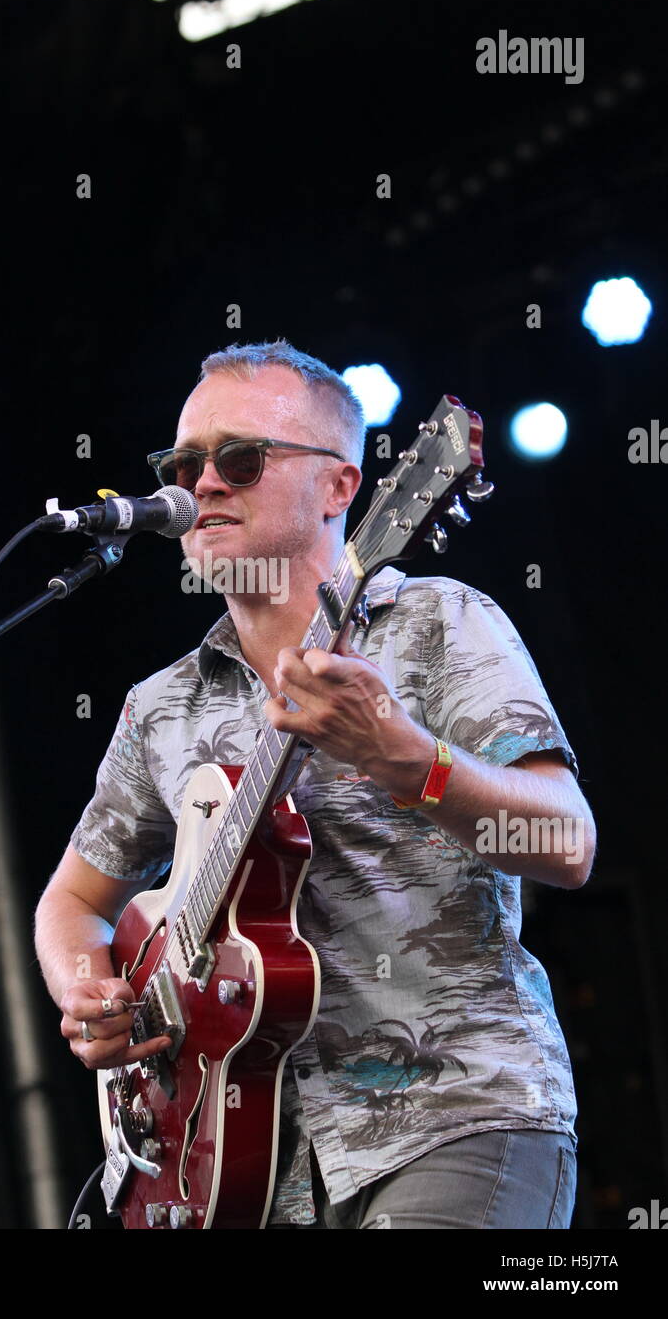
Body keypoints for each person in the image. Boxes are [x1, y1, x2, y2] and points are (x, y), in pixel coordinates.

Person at [33, 339, 595, 1229]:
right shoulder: (160, 707)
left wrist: (404, 758)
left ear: (341, 487)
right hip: (242, 1175)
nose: (204, 484)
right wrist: (87, 988)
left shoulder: (444, 623)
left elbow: (564, 846)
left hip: (452, 1117)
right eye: (185, 464)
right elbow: (73, 900)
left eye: (241, 459)